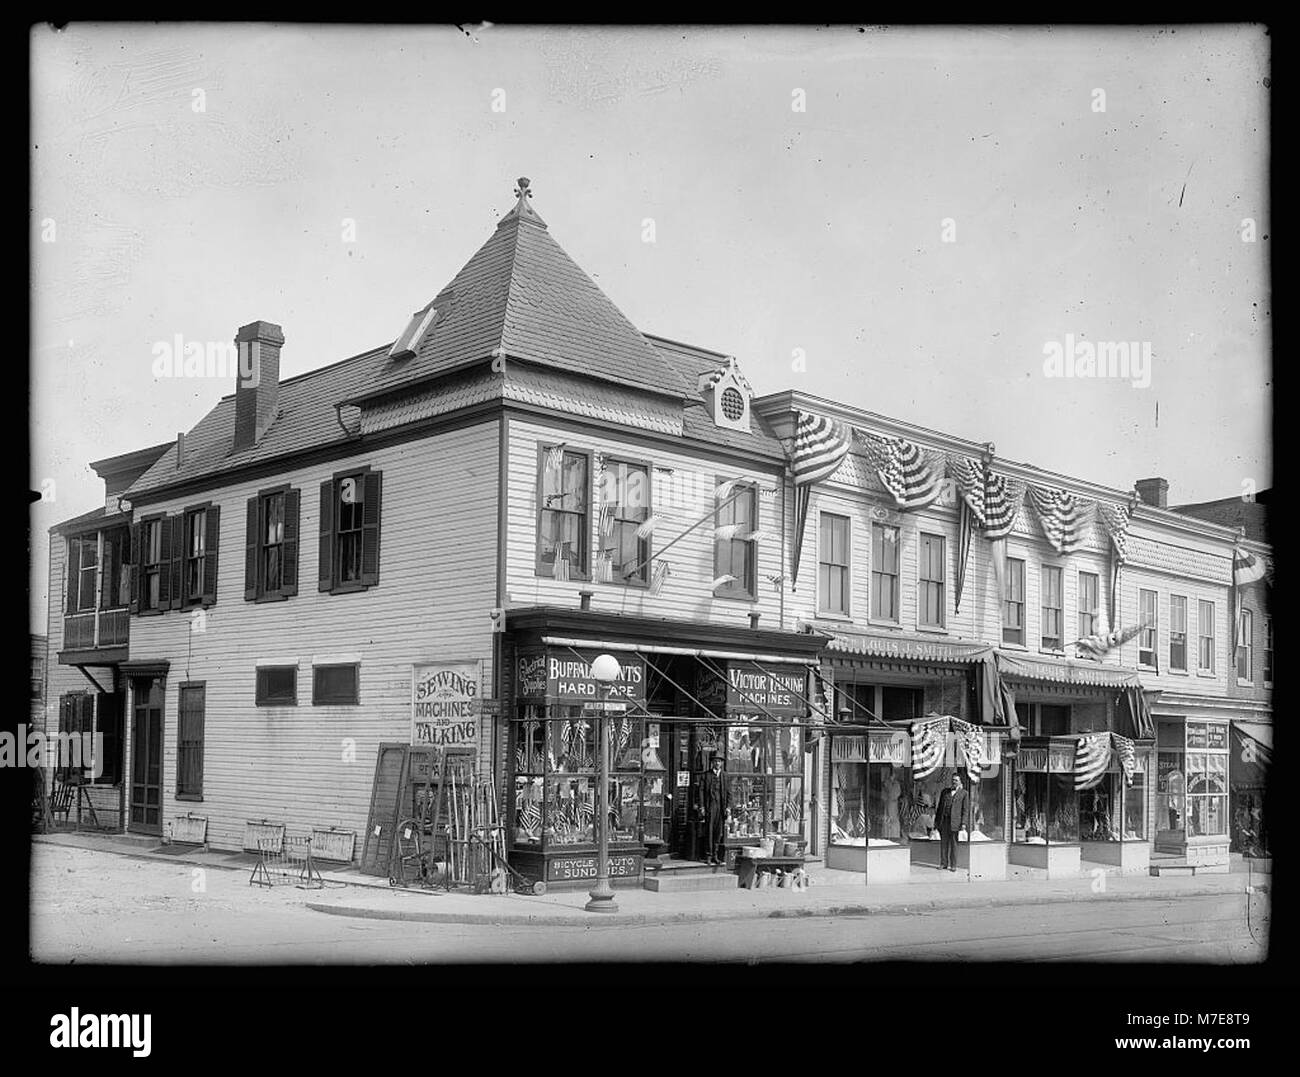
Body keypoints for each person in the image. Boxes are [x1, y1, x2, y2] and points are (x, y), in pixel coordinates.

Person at [699, 753, 730, 865]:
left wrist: (728, 807)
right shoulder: (706, 775)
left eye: (719, 761)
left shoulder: (725, 776)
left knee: (718, 832)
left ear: (721, 763)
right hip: (710, 806)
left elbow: (728, 793)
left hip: (721, 808)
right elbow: (701, 792)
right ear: (712, 763)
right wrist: (702, 806)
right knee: (709, 831)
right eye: (715, 761)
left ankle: (715, 856)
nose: (717, 763)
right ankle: (708, 855)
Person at [934, 772, 969, 872]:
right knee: (944, 843)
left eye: (956, 780)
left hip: (955, 822)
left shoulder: (964, 793)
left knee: (954, 844)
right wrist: (936, 821)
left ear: (960, 781)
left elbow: (965, 810)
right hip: (944, 821)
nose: (954, 782)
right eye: (953, 780)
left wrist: (963, 823)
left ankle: (953, 865)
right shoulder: (945, 792)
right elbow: (940, 807)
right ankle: (943, 863)